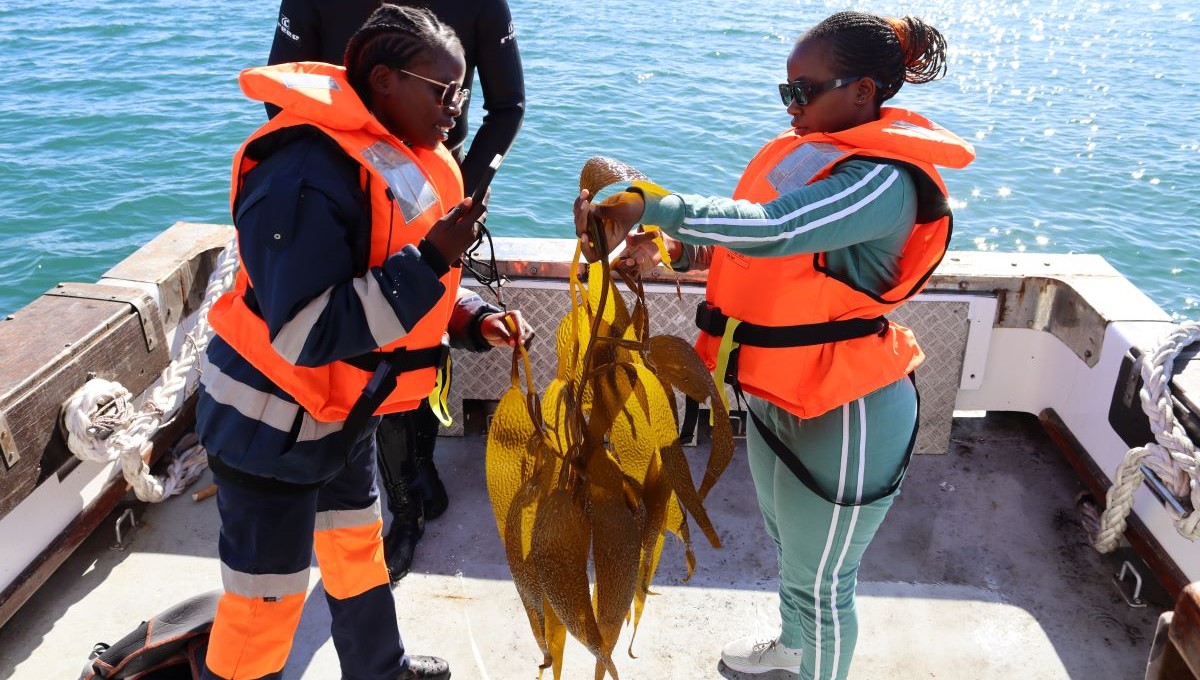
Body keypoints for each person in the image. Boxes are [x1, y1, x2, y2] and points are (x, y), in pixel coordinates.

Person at [574, 11, 973, 679]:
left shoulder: (883, 180)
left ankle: (812, 660)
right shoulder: (807, 154)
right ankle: (793, 655)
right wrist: (668, 249)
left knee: (823, 587)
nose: (791, 107)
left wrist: (653, 202)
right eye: (785, 90)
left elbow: (776, 230)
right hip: (775, 391)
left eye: (804, 91)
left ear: (864, 92)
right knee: (792, 554)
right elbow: (747, 250)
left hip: (847, 411)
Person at [196, 5, 532, 680]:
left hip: (343, 415)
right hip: (270, 430)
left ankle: (381, 670)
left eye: (462, 91)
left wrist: (469, 317)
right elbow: (306, 330)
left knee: (356, 554)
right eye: (442, 92)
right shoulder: (299, 176)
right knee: (266, 604)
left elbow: (395, 266)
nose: (457, 111)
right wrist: (435, 261)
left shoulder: (400, 159)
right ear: (383, 81)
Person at [267, 0, 526, 583]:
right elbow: (284, 93)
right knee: (356, 338)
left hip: (431, 183)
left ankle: (412, 488)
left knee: (418, 337)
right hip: (343, 186)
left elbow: (507, 106)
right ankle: (379, 492)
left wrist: (460, 191)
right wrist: (331, 170)